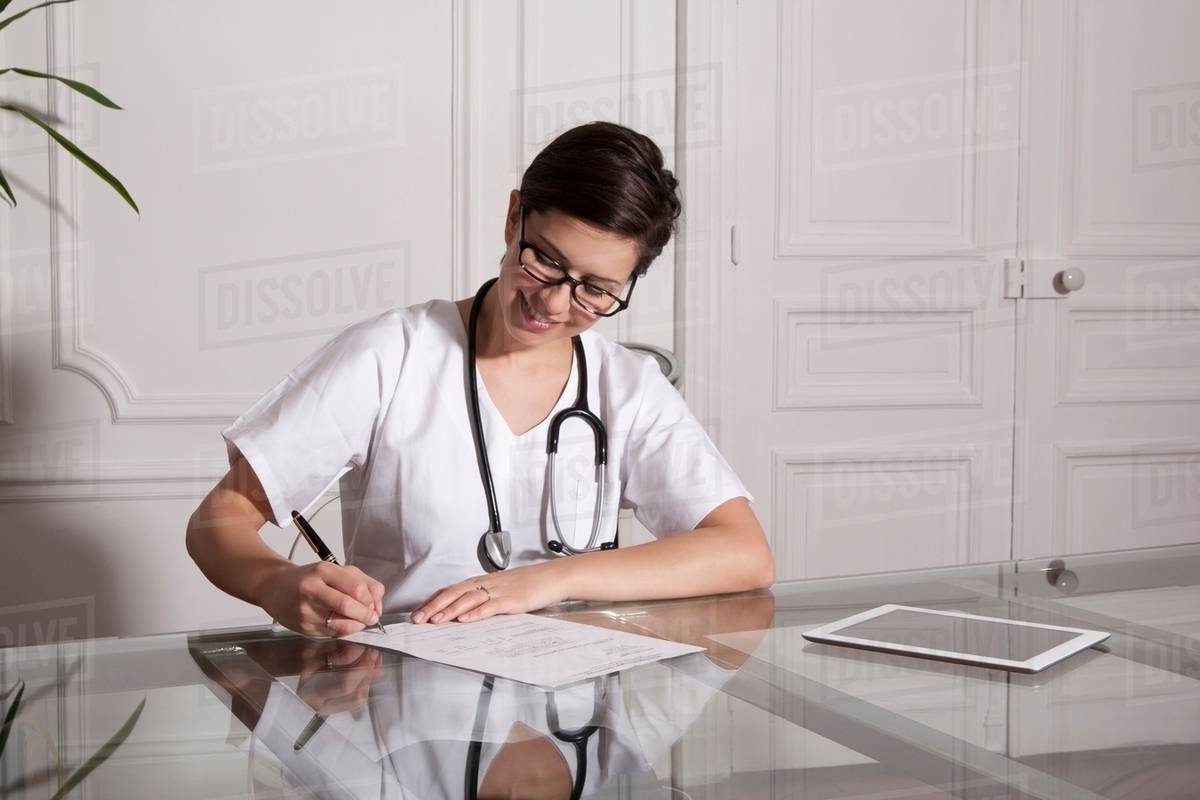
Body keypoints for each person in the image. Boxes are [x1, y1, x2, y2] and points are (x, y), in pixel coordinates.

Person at [186, 121, 774, 638]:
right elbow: (217, 523)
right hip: (409, 705)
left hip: (575, 716)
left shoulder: (630, 388)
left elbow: (744, 553)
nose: (552, 302)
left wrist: (550, 580)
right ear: (514, 216)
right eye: (543, 258)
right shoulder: (389, 356)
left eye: (595, 290)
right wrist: (276, 585)